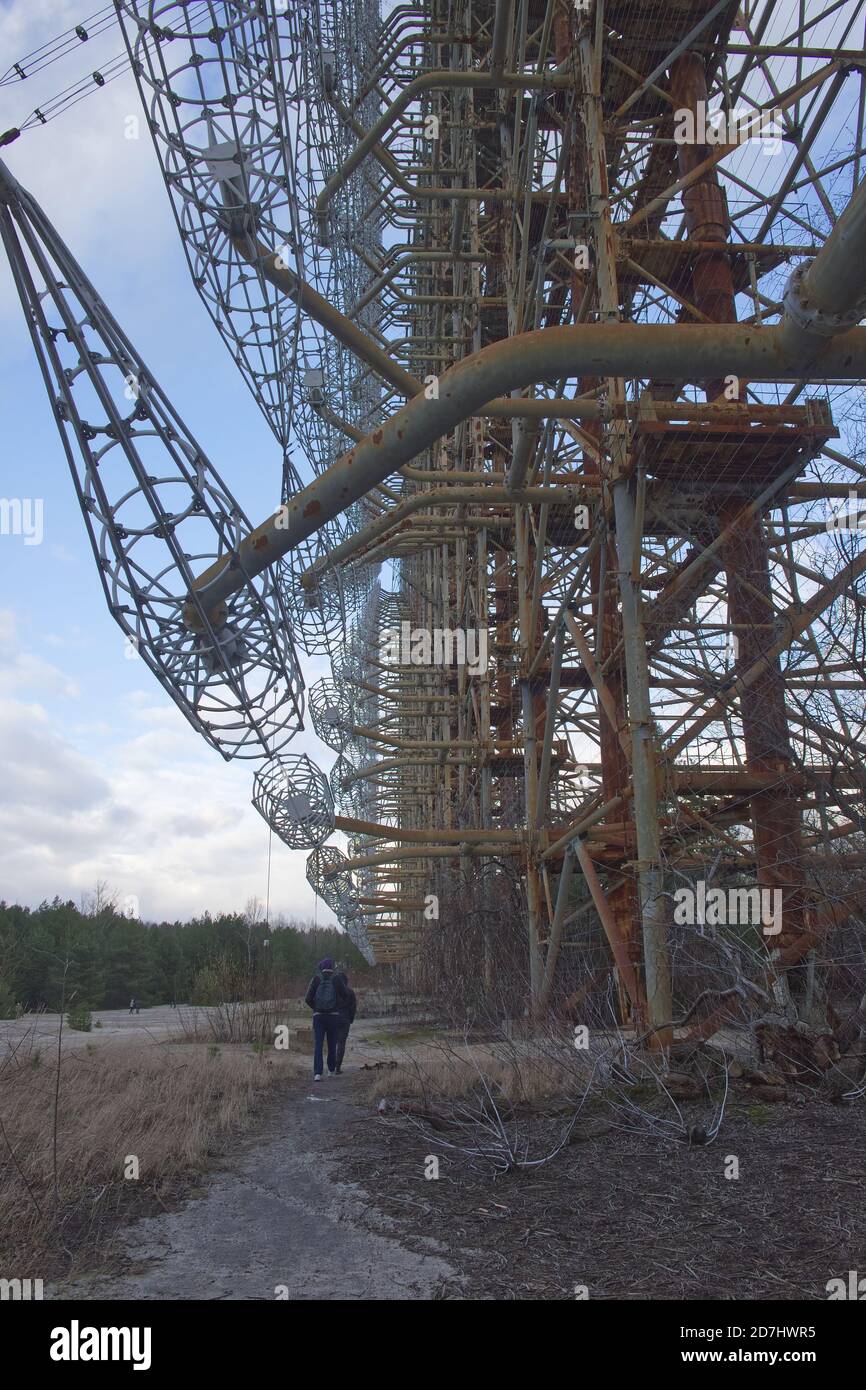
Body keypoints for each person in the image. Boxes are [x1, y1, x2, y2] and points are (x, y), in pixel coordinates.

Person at [304, 958, 349, 1080]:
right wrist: (337, 1005)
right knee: (332, 1043)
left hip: (318, 1017)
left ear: (321, 967)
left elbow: (307, 999)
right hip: (333, 1016)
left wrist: (316, 1008)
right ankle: (331, 1070)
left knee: (318, 1044)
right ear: (332, 967)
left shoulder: (316, 979)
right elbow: (346, 995)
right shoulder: (336, 979)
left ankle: (318, 1073)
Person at [332, 965, 356, 1075]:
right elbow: (353, 1008)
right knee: (341, 1044)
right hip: (345, 1020)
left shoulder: (333, 992)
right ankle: (338, 1067)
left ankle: (331, 1066)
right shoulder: (350, 992)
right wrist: (350, 1019)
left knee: (332, 1043)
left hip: (334, 1019)